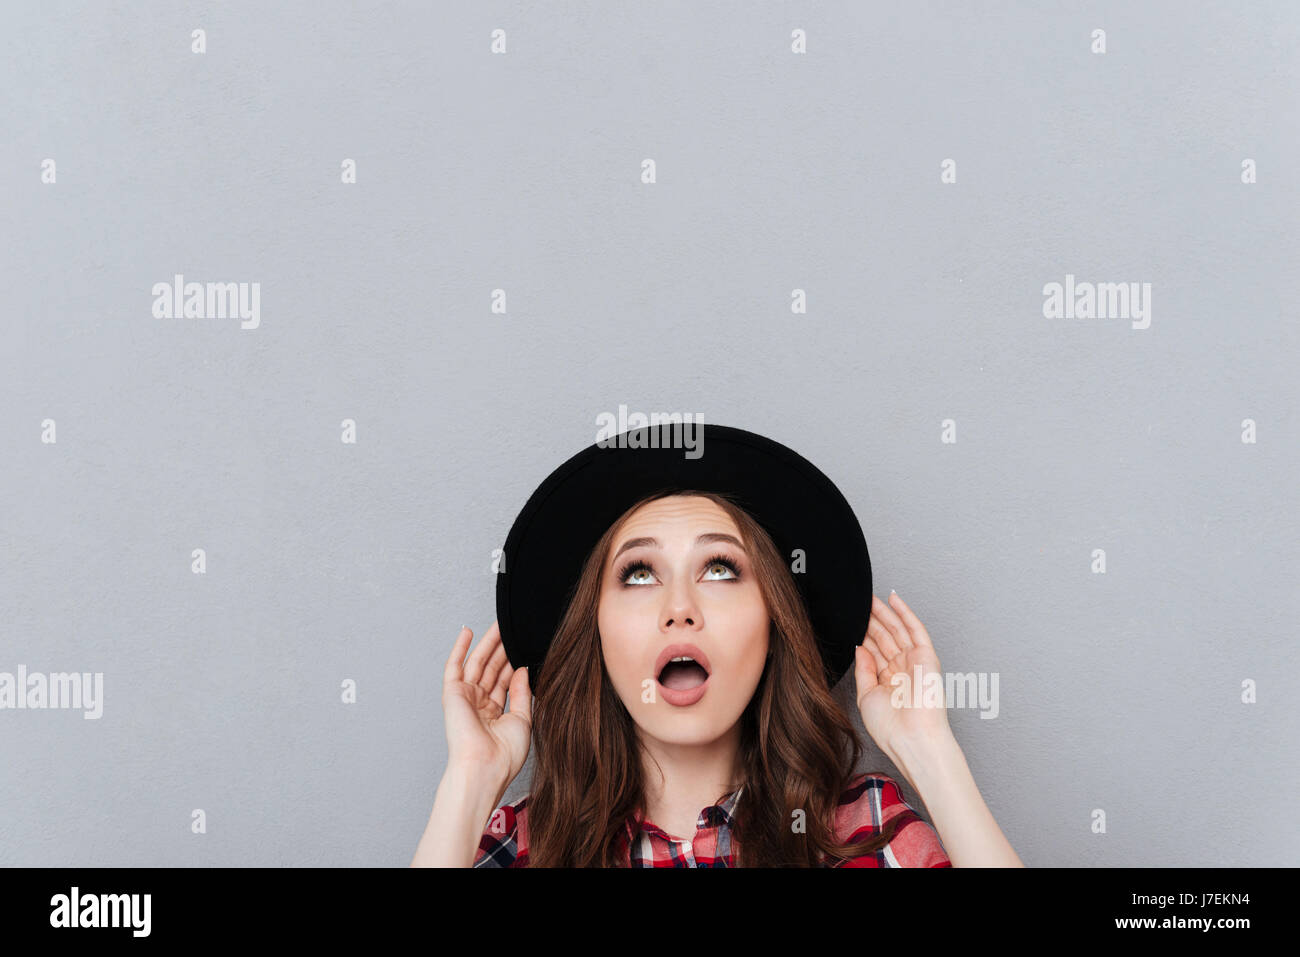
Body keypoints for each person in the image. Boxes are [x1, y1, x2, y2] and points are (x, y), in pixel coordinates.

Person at [411, 424, 1022, 867]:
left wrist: (930, 753)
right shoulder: (526, 846)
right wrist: (471, 778)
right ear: (593, 632)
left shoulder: (861, 830)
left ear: (773, 621)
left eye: (721, 569)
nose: (680, 609)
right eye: (639, 573)